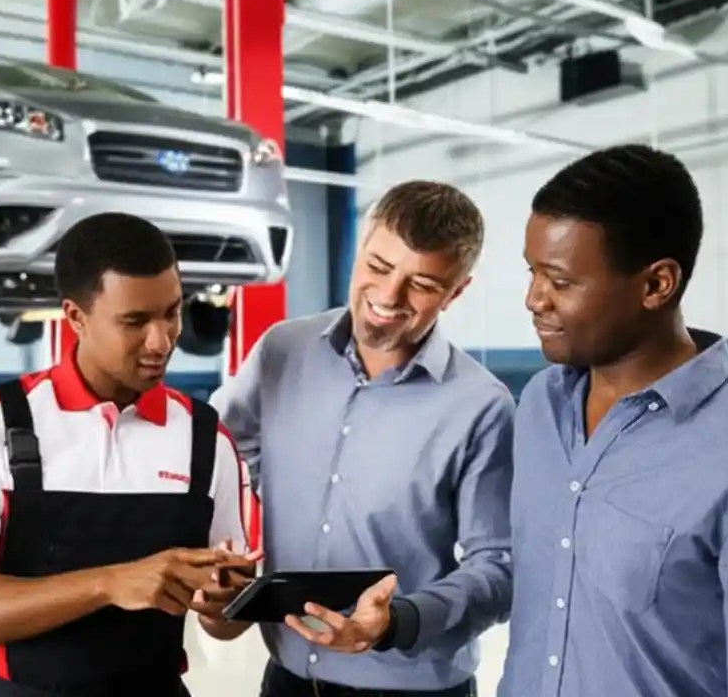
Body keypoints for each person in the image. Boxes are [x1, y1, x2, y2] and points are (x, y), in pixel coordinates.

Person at [500, 144, 728, 697]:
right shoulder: (541, 407)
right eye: (532, 273)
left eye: (560, 281)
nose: (533, 299)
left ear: (656, 285)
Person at [0, 212, 259, 697]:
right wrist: (110, 584)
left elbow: (225, 624)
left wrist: (227, 601)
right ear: (75, 317)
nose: (161, 341)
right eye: (135, 321)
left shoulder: (206, 439)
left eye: (171, 312)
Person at [207, 180, 516, 697]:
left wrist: (398, 621)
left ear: (457, 290)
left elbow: (501, 568)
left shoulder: (482, 407)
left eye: (422, 284)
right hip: (286, 679)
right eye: (377, 266)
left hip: (410, 690)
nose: (389, 296)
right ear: (360, 247)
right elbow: (222, 463)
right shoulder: (283, 351)